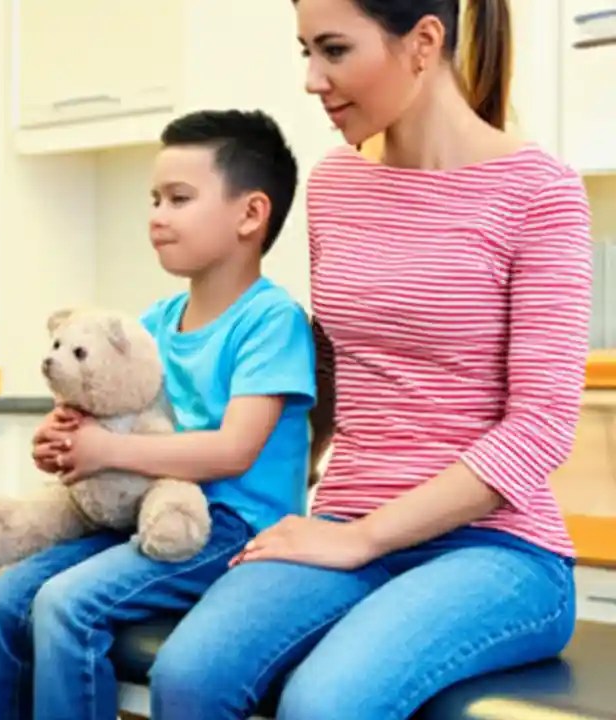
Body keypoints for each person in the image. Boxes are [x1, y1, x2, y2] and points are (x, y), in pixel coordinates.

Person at [151, 1, 592, 718]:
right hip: (348, 518)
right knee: (189, 675)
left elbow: (539, 430)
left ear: (423, 42)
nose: (312, 79)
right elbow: (337, 365)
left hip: (498, 551)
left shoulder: (540, 192)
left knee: (325, 704)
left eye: (333, 50)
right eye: (305, 52)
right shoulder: (336, 184)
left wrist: (362, 539)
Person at [0, 109, 318, 720]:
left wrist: (107, 451)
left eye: (179, 198)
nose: (157, 215)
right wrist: (63, 440)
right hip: (139, 514)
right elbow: (104, 414)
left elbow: (233, 451)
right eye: (154, 198)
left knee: (66, 606)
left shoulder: (271, 321)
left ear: (251, 214)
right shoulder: (154, 322)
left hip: (233, 527)